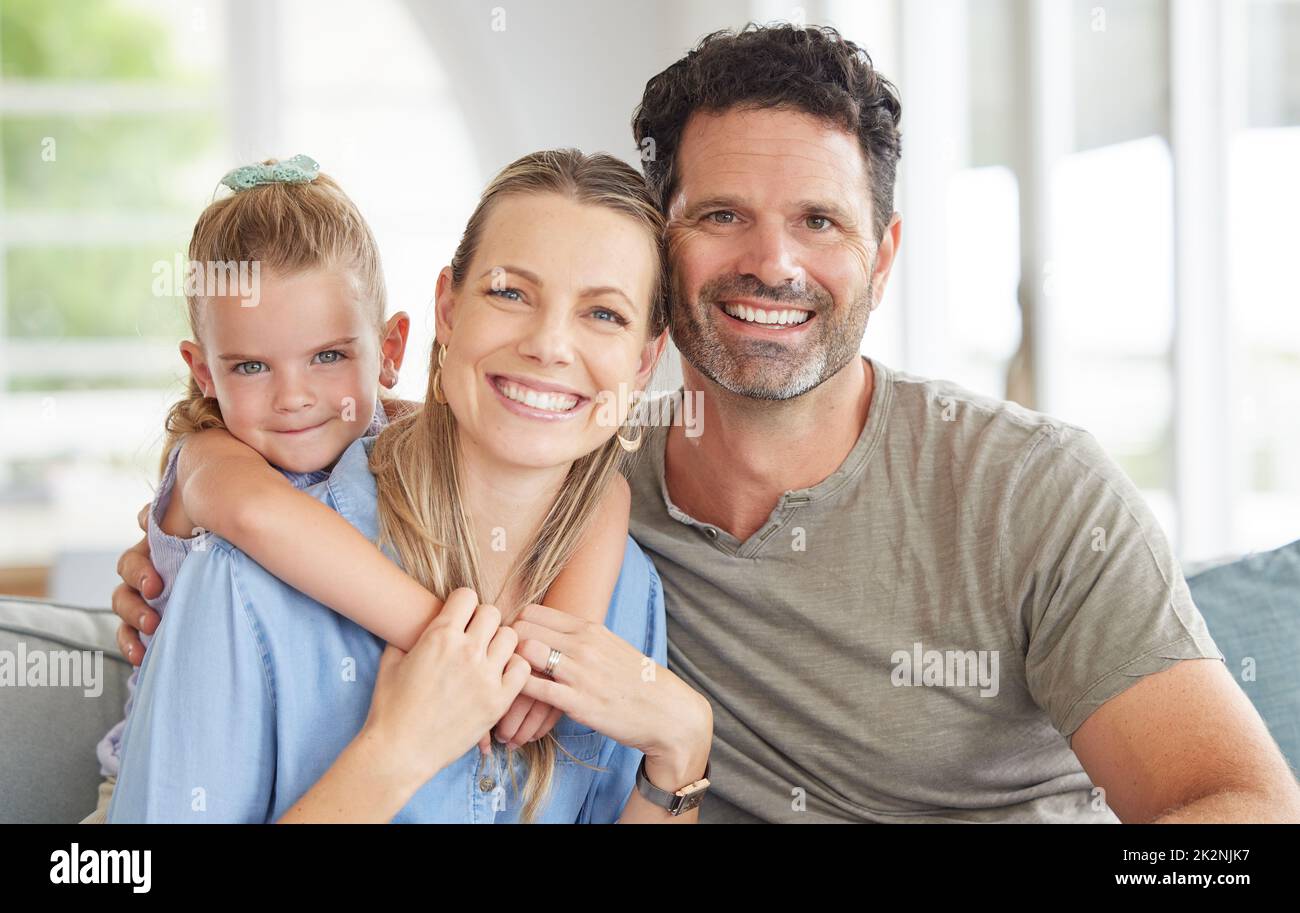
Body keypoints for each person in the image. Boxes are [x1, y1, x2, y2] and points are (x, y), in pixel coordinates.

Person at [105, 149, 712, 823]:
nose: (549, 345)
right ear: (446, 312)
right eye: (510, 292)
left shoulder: (629, 591)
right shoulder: (242, 576)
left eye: (604, 314)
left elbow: (600, 493)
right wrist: (393, 753)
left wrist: (682, 750)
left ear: (646, 362)